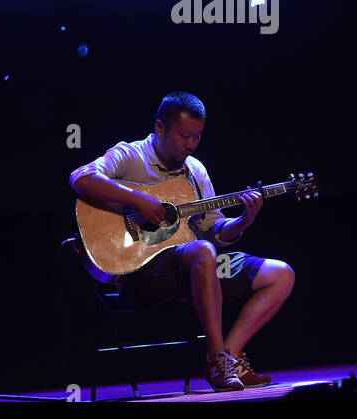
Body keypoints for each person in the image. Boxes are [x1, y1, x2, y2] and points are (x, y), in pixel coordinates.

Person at [69, 92, 295, 392]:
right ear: (160, 128)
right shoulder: (131, 154)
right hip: (140, 273)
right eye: (184, 135)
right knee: (203, 251)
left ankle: (230, 355)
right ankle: (216, 360)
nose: (190, 144)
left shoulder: (195, 171)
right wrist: (138, 199)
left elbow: (214, 228)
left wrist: (244, 221)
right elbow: (81, 178)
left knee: (281, 274)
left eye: (197, 137)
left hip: (195, 270)